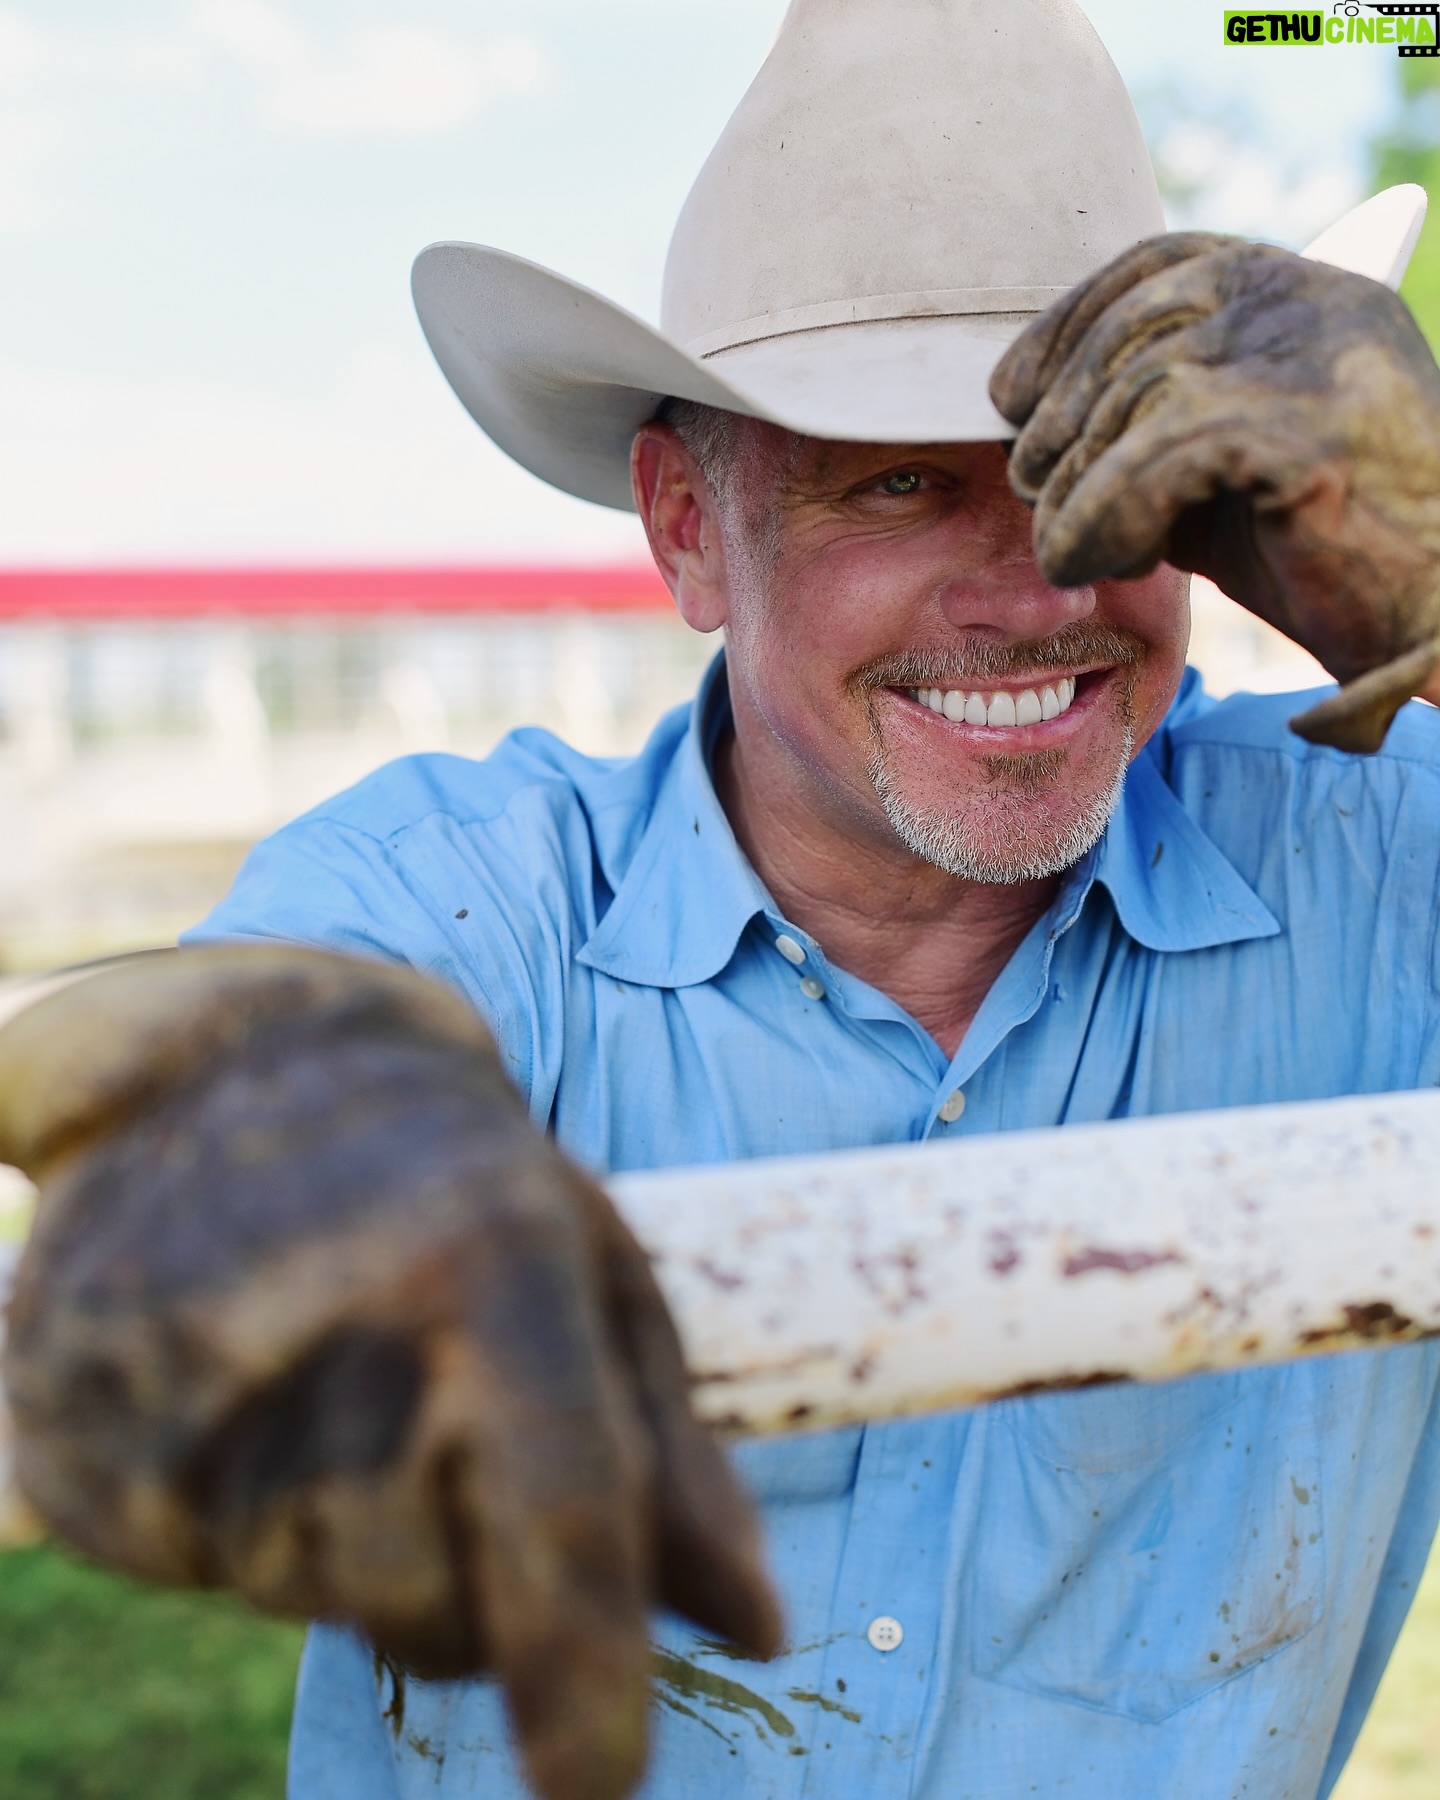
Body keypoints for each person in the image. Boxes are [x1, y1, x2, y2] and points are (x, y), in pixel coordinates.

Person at [4, 1, 1440, 1797]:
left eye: (1101, 481)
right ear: (686, 523)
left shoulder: (1379, 855)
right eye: (899, 484)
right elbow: (252, 1079)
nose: (1032, 589)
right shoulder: (475, 896)